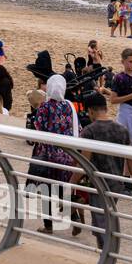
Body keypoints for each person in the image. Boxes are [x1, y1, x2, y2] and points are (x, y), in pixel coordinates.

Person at [69, 93, 132, 247]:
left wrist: (71, 184)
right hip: (116, 183)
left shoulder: (90, 131)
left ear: (90, 111)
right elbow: (130, 160)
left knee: (100, 223)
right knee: (108, 217)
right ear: (106, 108)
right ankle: (107, 253)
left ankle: (107, 256)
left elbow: (84, 163)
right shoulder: (121, 129)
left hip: (98, 183)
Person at [27, 75, 78, 234]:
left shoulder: (44, 107)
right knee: (63, 190)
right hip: (66, 154)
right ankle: (75, 219)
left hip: (48, 154)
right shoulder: (69, 106)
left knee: (46, 190)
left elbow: (38, 128)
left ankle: (48, 225)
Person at [104, 47, 132, 165]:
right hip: (126, 112)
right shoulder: (119, 78)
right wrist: (131, 96)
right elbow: (113, 100)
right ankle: (126, 174)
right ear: (123, 62)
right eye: (131, 61)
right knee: (127, 143)